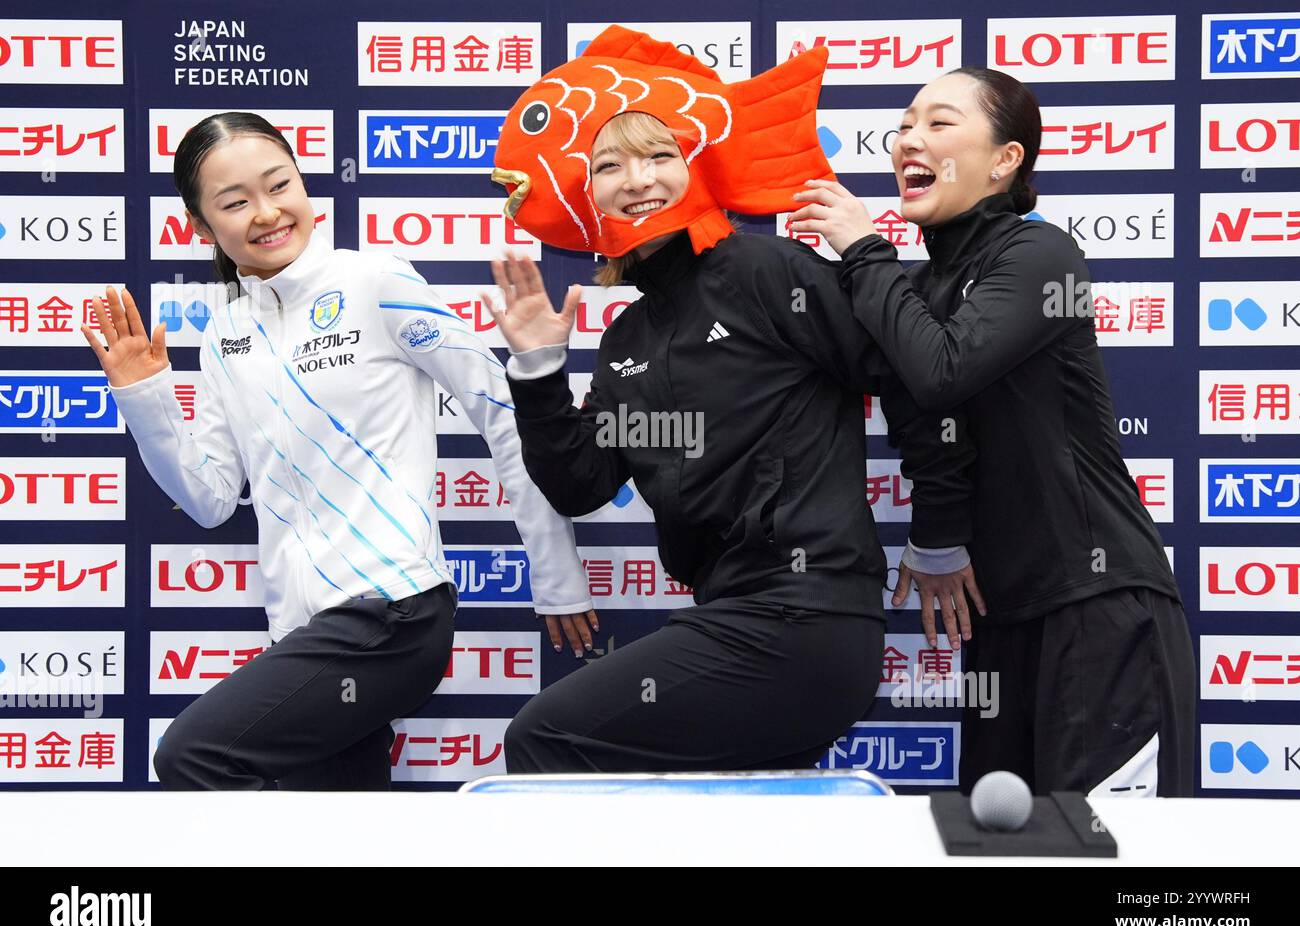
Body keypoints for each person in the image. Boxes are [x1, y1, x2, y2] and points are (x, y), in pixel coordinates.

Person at [82, 111, 593, 790]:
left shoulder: (376, 281)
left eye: (279, 184)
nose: (267, 213)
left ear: (304, 185)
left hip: (393, 612)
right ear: (200, 226)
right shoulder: (224, 333)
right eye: (235, 203)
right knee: (337, 826)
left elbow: (500, 411)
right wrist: (146, 400)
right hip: (305, 634)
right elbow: (206, 500)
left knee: (192, 754)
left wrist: (557, 577)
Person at [488, 105, 977, 773]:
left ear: (697, 172)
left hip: (805, 620)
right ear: (587, 195)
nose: (637, 179)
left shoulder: (765, 269)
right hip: (735, 618)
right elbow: (581, 485)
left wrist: (941, 530)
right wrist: (540, 371)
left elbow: (913, 375)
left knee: (543, 739)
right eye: (610, 165)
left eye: (660, 157)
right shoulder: (627, 337)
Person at [788, 67, 1195, 797]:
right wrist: (936, 536)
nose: (909, 136)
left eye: (940, 122)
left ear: (1005, 160)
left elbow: (946, 369)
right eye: (905, 123)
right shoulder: (911, 284)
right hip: (1000, 619)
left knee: (1118, 861)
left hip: (1097, 609)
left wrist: (863, 251)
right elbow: (928, 424)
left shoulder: (1038, 252)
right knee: (1008, 848)